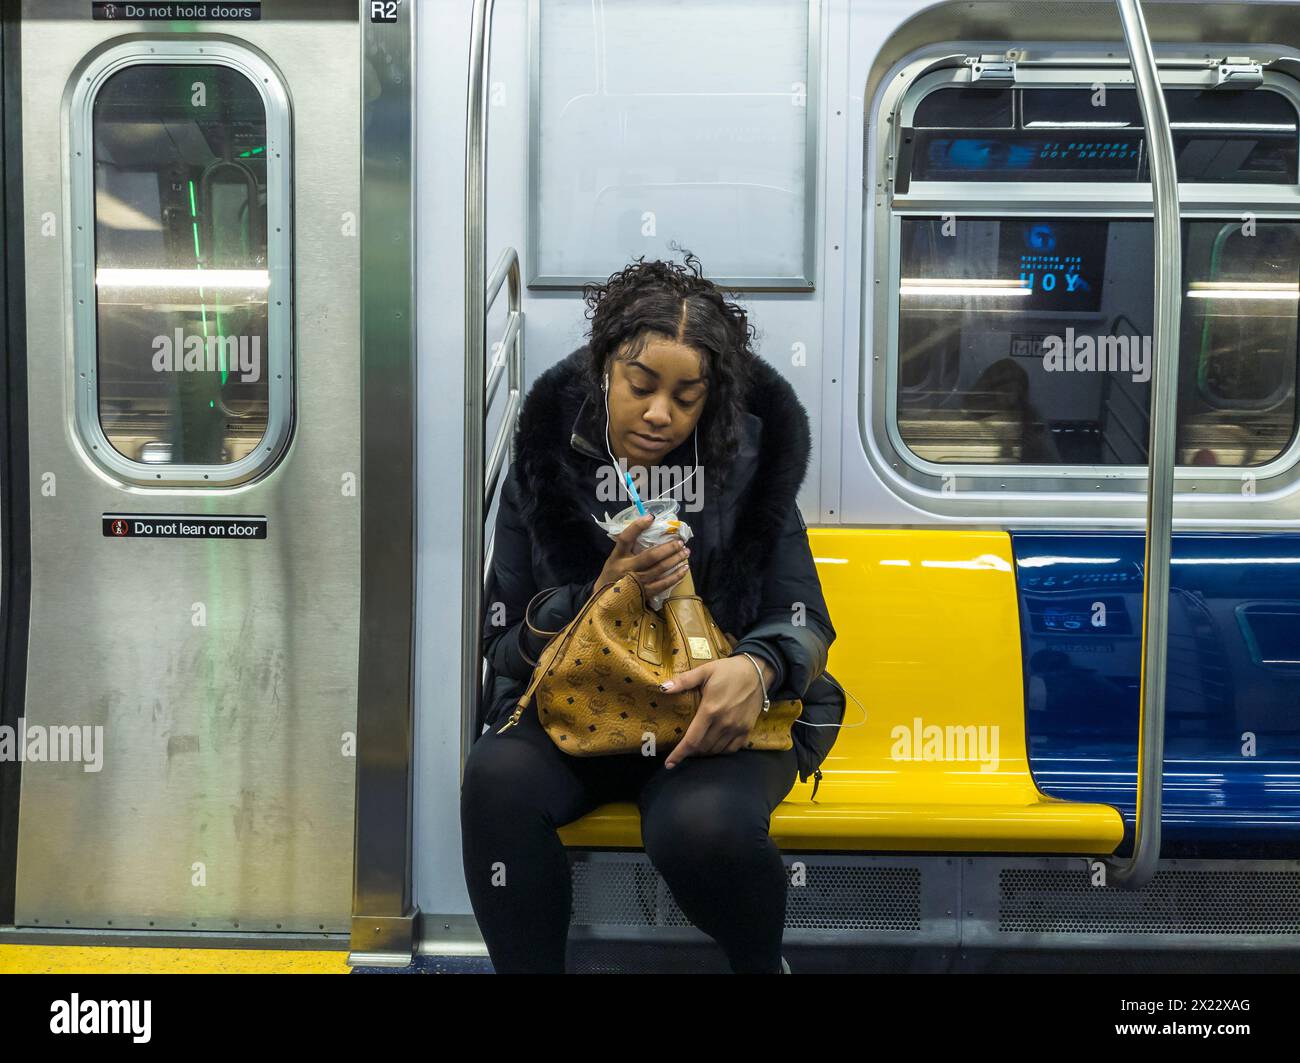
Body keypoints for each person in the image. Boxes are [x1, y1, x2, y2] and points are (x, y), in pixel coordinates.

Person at [461, 253, 845, 974]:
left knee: (701, 828)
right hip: (580, 709)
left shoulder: (749, 464)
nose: (661, 412)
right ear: (605, 369)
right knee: (496, 781)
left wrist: (756, 669)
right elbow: (504, 643)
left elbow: (805, 620)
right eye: (641, 386)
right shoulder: (546, 465)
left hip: (704, 720)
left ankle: (761, 967)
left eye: (686, 396)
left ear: (711, 400)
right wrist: (594, 592)